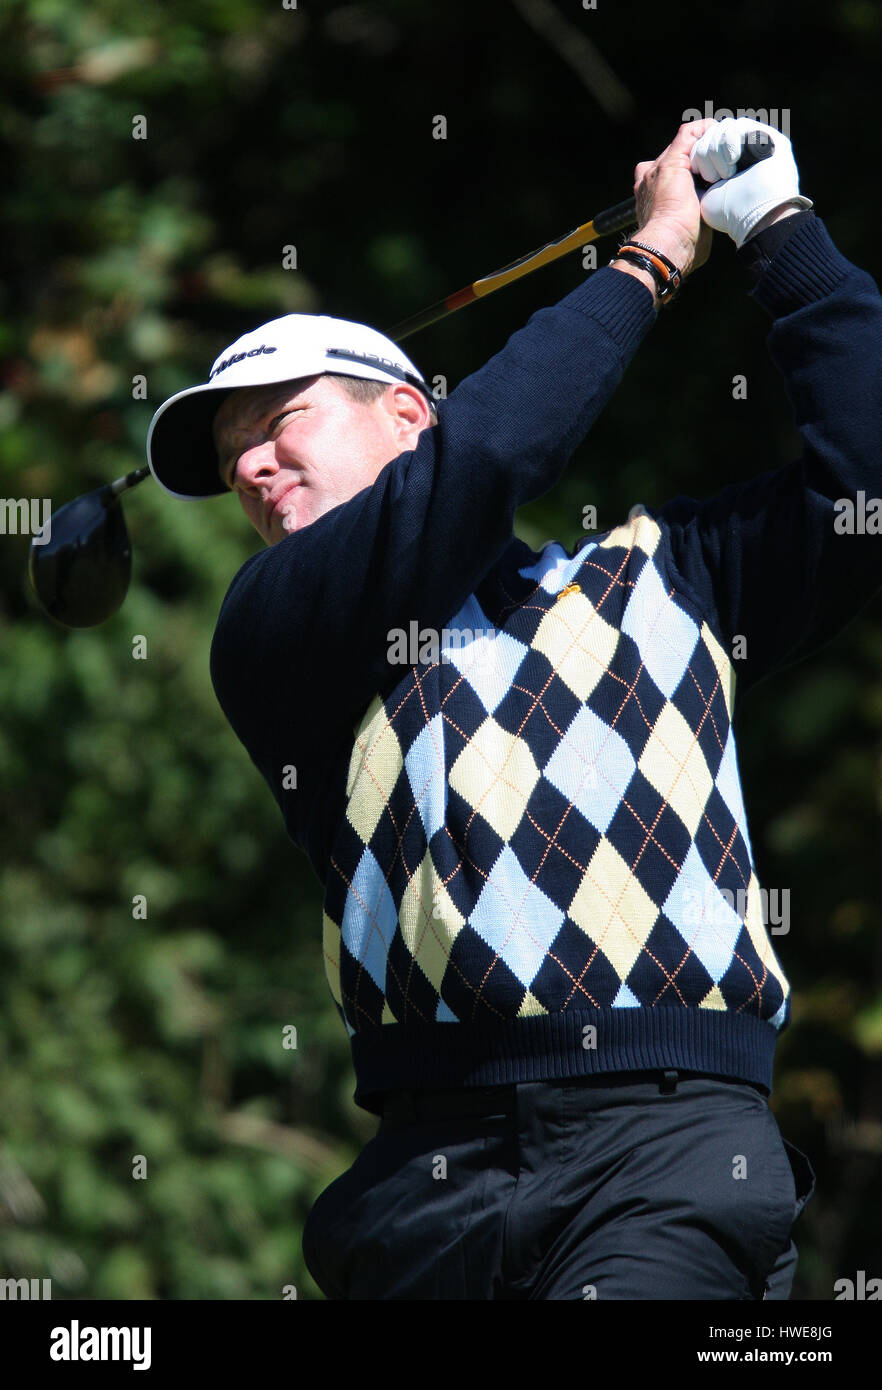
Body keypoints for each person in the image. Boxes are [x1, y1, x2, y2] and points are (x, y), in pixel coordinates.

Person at [146, 117, 881, 1299]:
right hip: (425, 1186)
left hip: (669, 1151)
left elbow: (870, 481)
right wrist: (647, 264)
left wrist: (784, 237)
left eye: (280, 422)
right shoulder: (281, 630)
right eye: (230, 454)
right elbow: (487, 460)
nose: (247, 467)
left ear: (405, 411)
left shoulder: (671, 573)